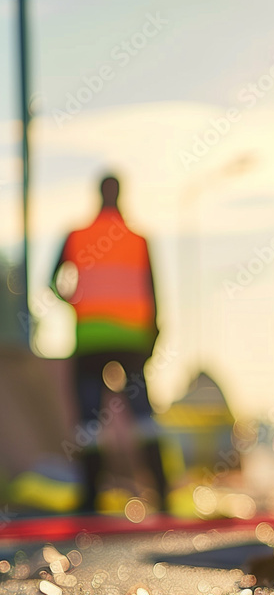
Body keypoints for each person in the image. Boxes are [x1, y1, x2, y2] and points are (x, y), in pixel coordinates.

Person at [52, 174, 168, 513]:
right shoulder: (137, 239)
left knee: (89, 421)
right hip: (131, 342)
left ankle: (90, 498)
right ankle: (161, 492)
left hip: (91, 340)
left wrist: (76, 303)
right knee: (143, 416)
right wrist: (154, 335)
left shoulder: (77, 236)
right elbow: (153, 290)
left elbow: (53, 282)